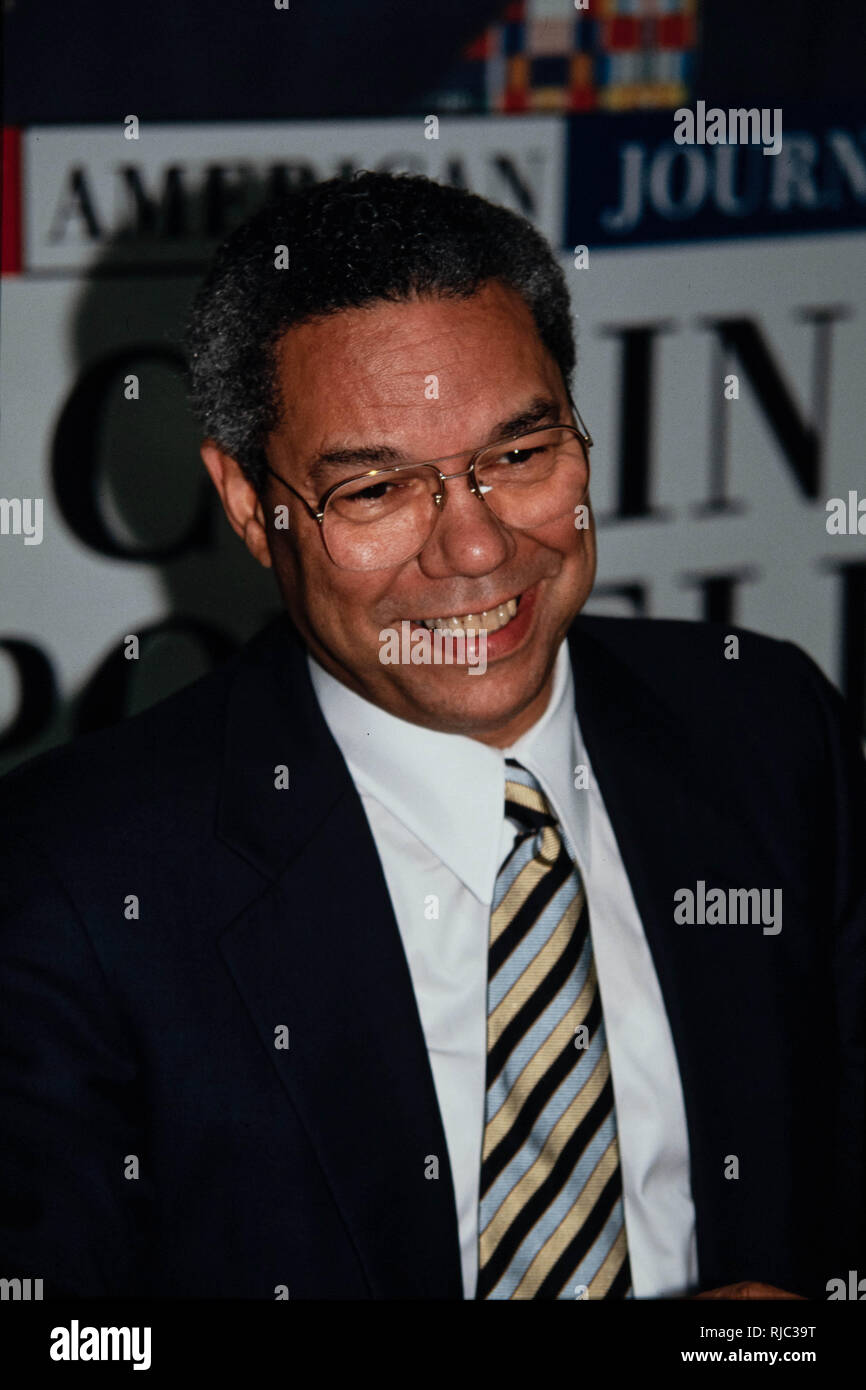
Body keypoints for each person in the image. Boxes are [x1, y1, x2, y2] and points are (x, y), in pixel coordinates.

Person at [1, 172, 863, 1301]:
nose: (471, 549)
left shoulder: (762, 725)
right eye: (373, 490)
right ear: (246, 504)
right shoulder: (74, 880)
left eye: (516, 456)